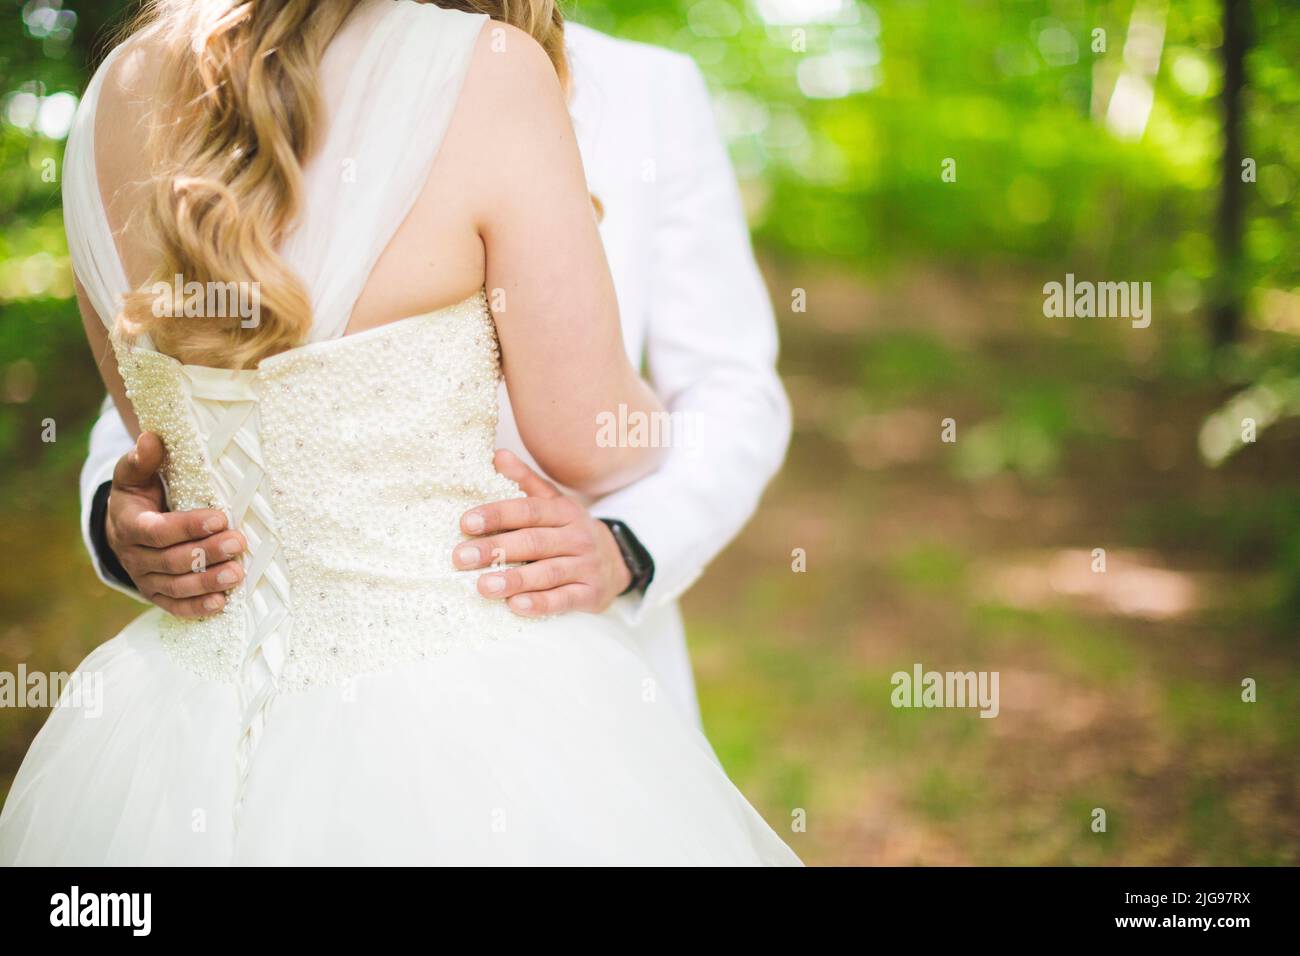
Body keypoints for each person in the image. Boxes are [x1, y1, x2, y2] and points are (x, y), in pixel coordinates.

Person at [0, 0, 799, 865]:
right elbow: (137, 435)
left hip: (182, 724)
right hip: (482, 691)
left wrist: (632, 543)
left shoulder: (119, 87)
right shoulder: (500, 67)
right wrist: (121, 528)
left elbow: (731, 385)